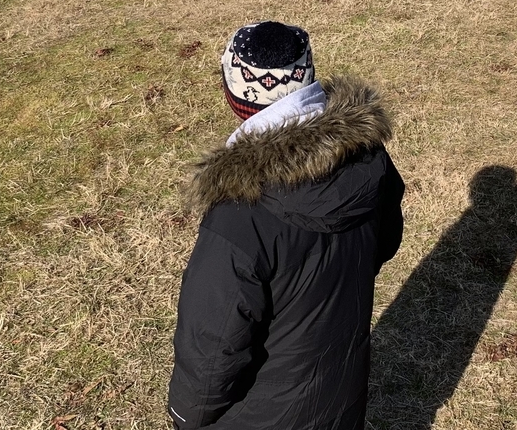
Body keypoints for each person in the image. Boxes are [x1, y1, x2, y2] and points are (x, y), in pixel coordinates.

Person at [168, 21, 405, 428]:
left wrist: (187, 415)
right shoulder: (369, 158)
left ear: (236, 95)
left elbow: (213, 343)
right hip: (341, 392)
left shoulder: (238, 214)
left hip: (259, 415)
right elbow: (384, 242)